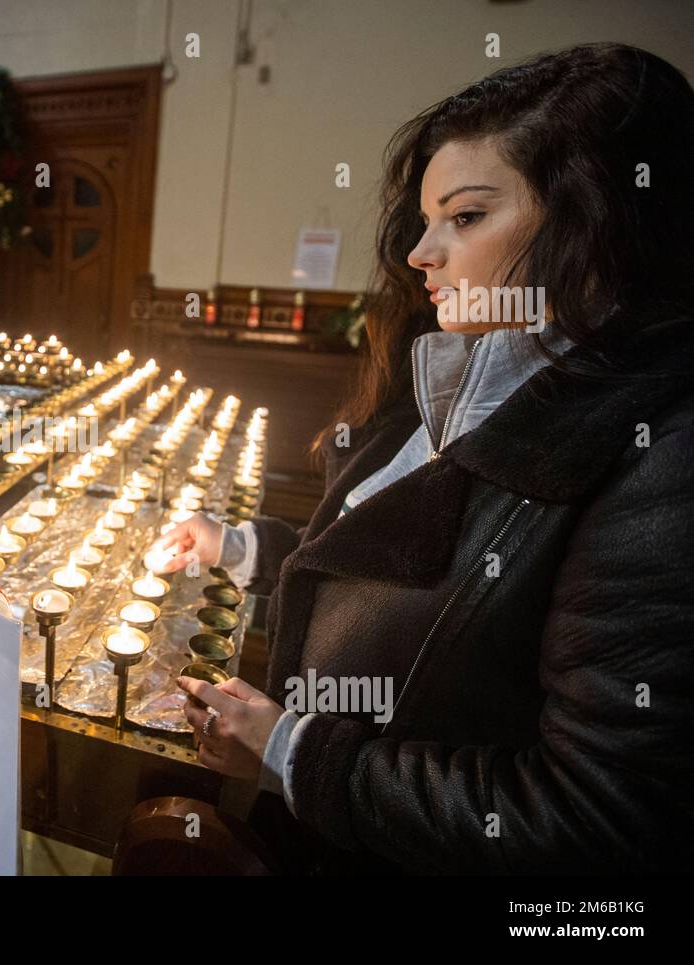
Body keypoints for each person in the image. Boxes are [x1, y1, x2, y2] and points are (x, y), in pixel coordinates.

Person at [155, 43, 694, 873]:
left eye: (467, 216)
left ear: (595, 223)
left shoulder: (654, 459)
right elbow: (404, 550)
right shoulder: (464, 365)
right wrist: (241, 549)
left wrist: (298, 754)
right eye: (427, 217)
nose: (419, 252)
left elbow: (592, 811)